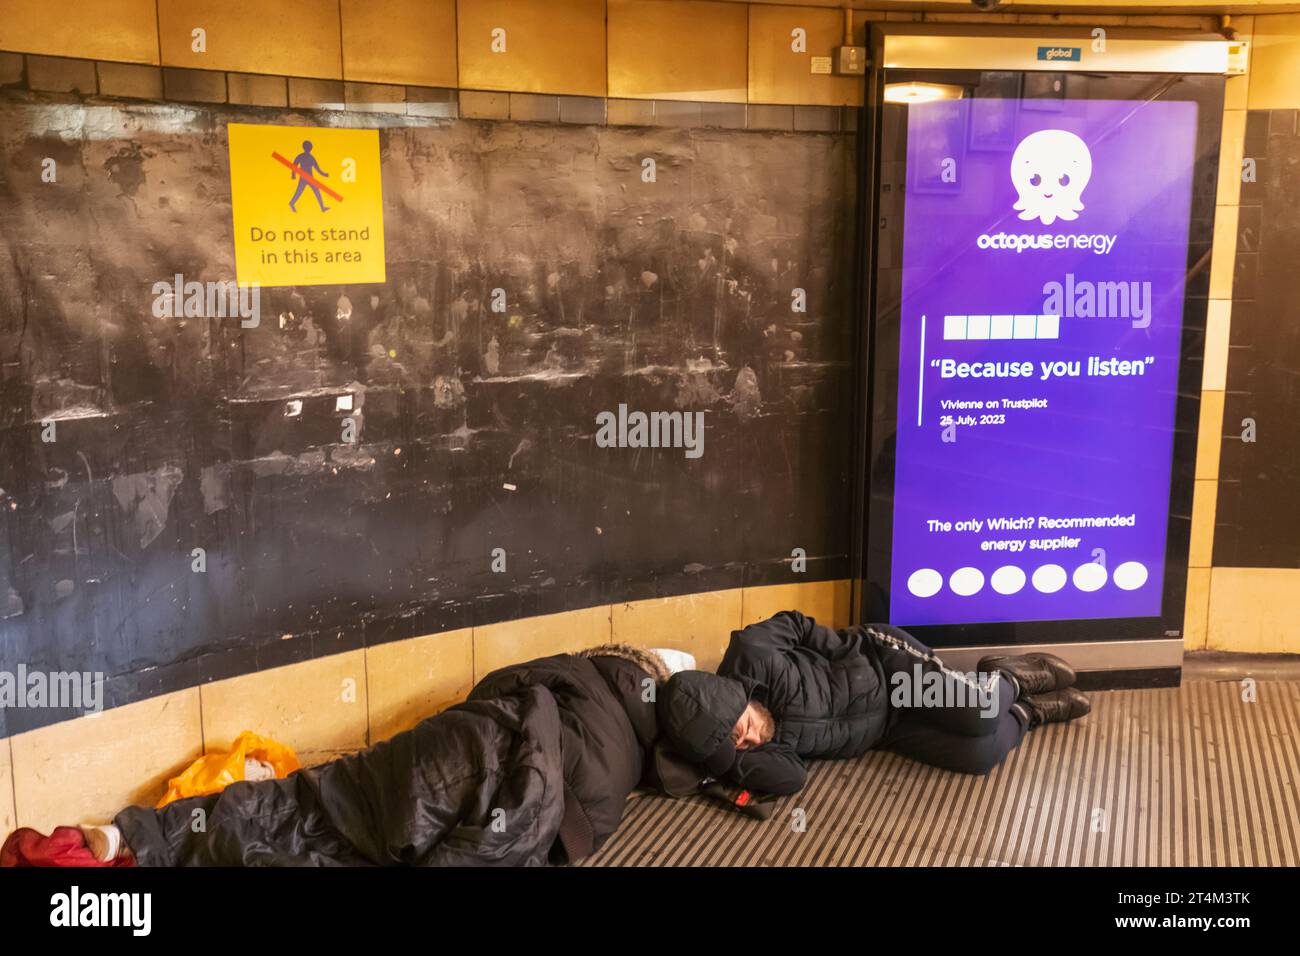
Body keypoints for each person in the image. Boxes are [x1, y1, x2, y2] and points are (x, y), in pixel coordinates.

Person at [4, 644, 694, 868]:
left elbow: (500, 684)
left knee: (303, 806)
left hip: (466, 746)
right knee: (317, 844)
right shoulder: (626, 775)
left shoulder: (580, 673)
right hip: (506, 815)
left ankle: (123, 839)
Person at [656, 610, 1091, 797]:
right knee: (977, 755)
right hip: (884, 730)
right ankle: (1032, 711)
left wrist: (845, 645)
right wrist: (730, 763)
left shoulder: (752, 653)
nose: (749, 739)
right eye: (737, 745)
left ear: (738, 695)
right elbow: (791, 780)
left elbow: (797, 625)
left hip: (888, 668)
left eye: (742, 726)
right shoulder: (762, 748)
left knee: (976, 715)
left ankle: (1007, 675)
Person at [289, 140, 330, 212]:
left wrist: (324, 174)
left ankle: (322, 208)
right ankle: (292, 203)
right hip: (304, 178)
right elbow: (294, 165)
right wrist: (293, 175)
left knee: (316, 191)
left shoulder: (310, 157)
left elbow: (317, 169)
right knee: (299, 192)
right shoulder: (302, 156)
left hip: (310, 178)